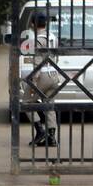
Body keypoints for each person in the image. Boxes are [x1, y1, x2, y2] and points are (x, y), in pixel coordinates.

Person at [18, 12, 58, 146]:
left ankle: (40, 131)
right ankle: (51, 138)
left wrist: (34, 81)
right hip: (54, 75)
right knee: (49, 105)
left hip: (43, 76)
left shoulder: (38, 40)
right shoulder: (52, 37)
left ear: (33, 24)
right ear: (45, 23)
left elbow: (38, 62)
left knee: (26, 103)